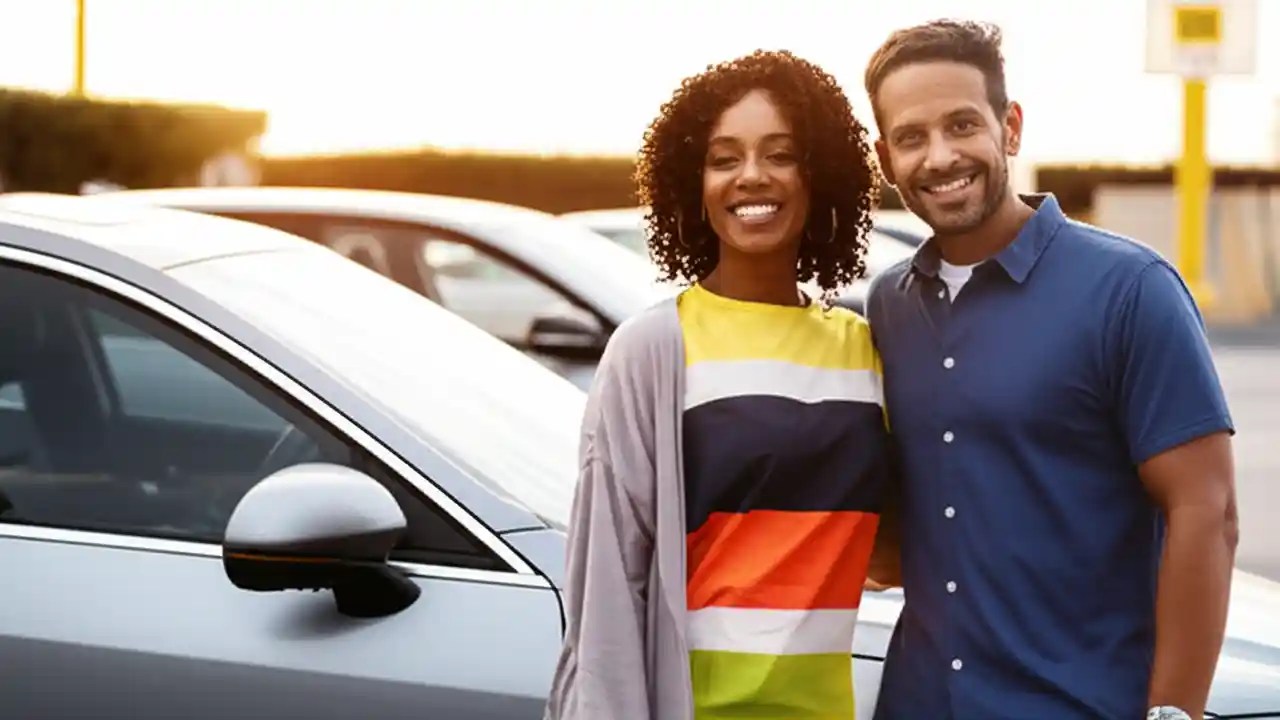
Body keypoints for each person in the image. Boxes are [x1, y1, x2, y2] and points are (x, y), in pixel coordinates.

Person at [859, 19, 1239, 720]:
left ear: (1010, 128)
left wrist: (1173, 714)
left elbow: (1206, 514)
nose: (940, 156)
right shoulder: (887, 306)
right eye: (911, 137)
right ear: (885, 158)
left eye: (962, 125)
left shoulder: (1131, 291)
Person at [544, 49, 889, 720]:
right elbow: (609, 580)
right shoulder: (653, 348)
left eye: (780, 154)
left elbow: (896, 549)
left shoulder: (863, 349)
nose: (751, 175)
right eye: (724, 159)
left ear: (819, 174)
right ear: (694, 185)